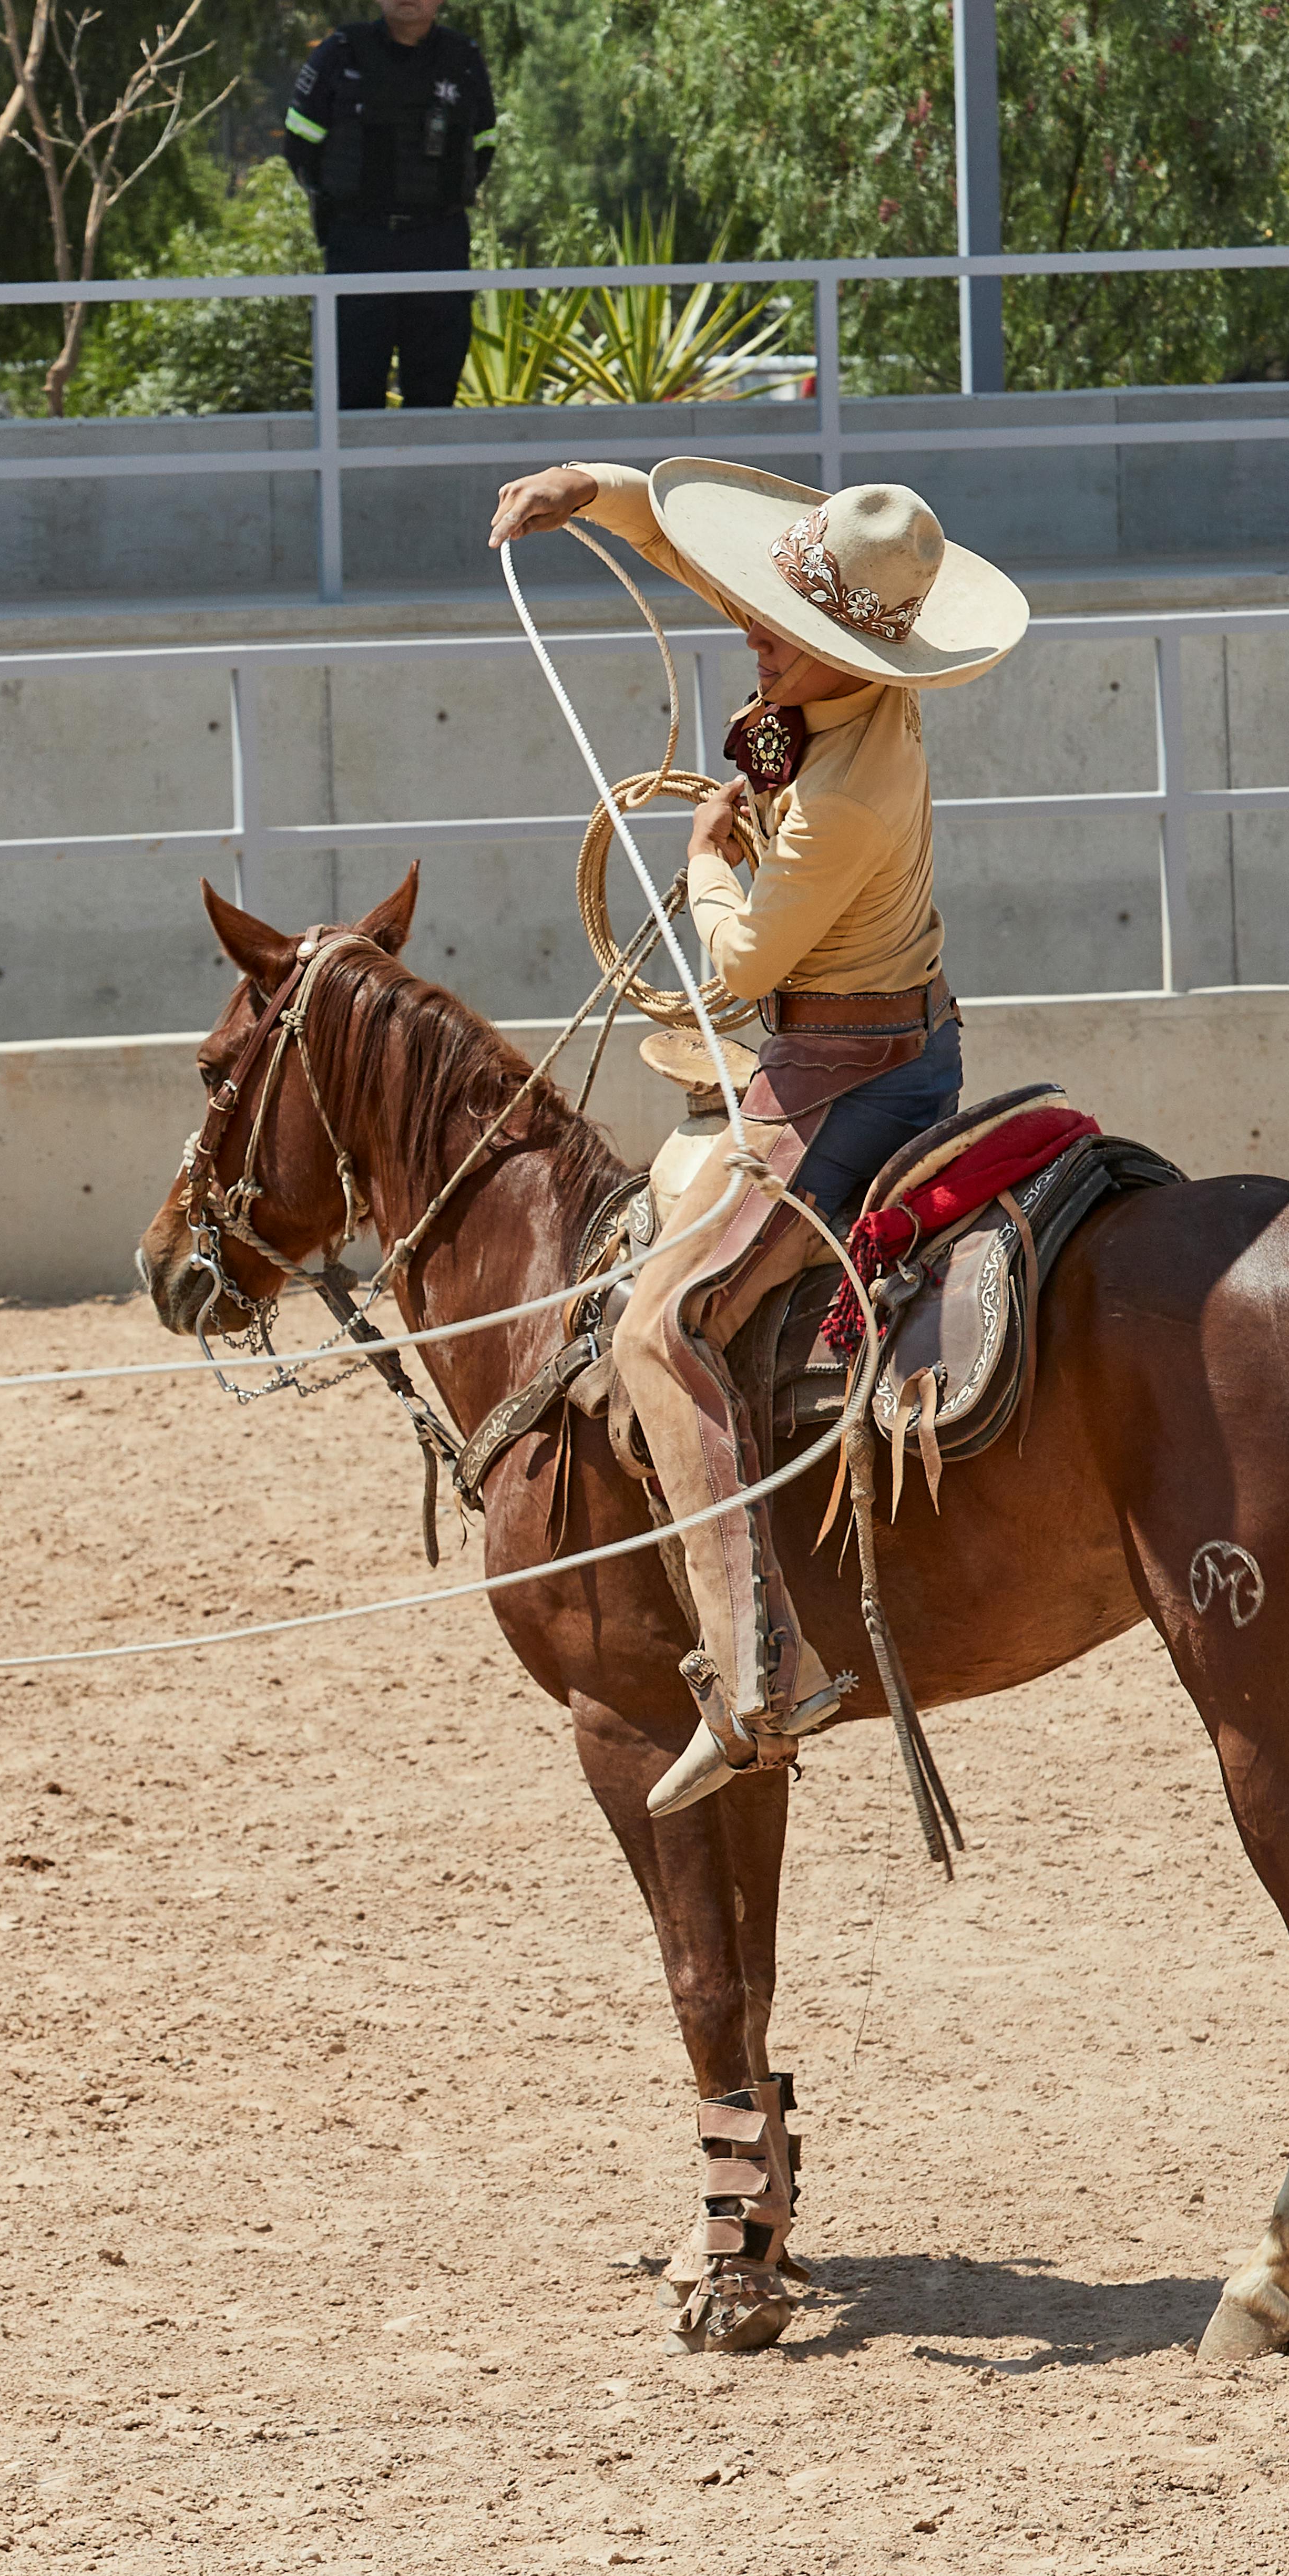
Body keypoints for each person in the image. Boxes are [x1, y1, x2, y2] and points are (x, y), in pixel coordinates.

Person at [488, 454, 1028, 1817]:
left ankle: (756, 1667)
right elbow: (715, 578)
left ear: (833, 651)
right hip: (880, 1038)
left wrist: (709, 859)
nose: (748, 637)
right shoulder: (848, 697)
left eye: (776, 632)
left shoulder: (844, 793)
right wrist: (598, 492)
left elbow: (737, 963)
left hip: (848, 1076)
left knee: (656, 1324)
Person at [281, 0, 496, 412]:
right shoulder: (341, 52)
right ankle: (354, 489)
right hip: (359, 244)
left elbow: (483, 147)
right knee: (353, 392)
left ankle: (427, 488)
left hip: (438, 243)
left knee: (434, 388)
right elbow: (300, 146)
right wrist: (340, 206)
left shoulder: (463, 60)